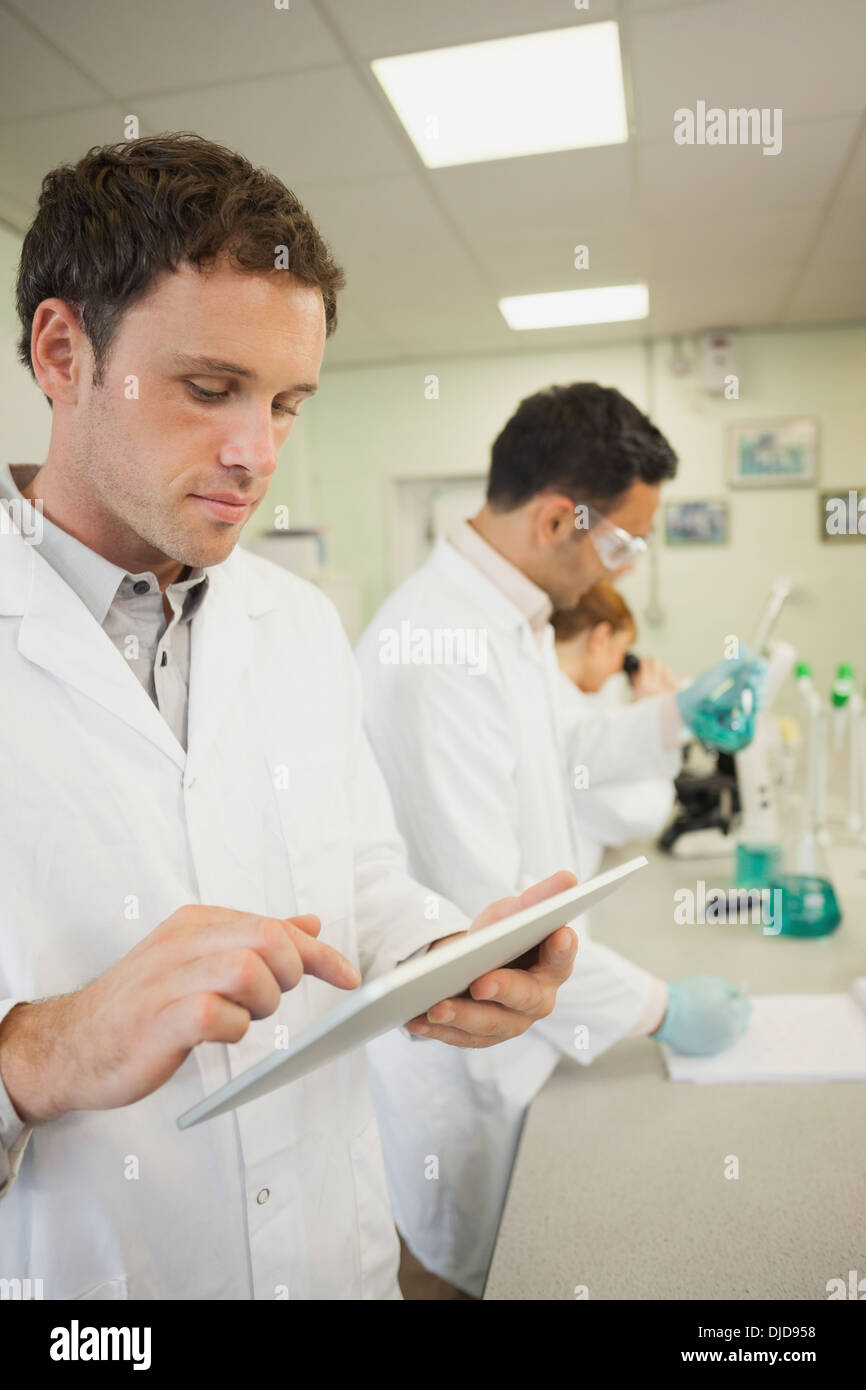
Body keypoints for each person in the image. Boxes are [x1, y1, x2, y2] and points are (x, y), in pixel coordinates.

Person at [0, 134, 581, 1301]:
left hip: (334, 1263)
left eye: (287, 403)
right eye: (209, 389)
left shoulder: (299, 623)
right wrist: (43, 1052)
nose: (256, 453)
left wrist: (434, 953)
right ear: (62, 353)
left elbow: (353, 875)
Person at [357, 383, 760, 1298]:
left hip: (529, 1040)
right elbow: (482, 917)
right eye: (619, 542)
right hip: (464, 1064)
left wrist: (672, 715)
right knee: (488, 1275)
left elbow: (569, 749)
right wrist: (659, 1005)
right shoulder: (432, 651)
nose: (624, 569)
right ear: (554, 519)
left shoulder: (512, 621)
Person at [551, 580, 678, 878]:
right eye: (622, 651)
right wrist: (653, 719)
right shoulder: (568, 724)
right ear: (601, 637)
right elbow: (644, 814)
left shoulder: (557, 700)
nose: (617, 669)